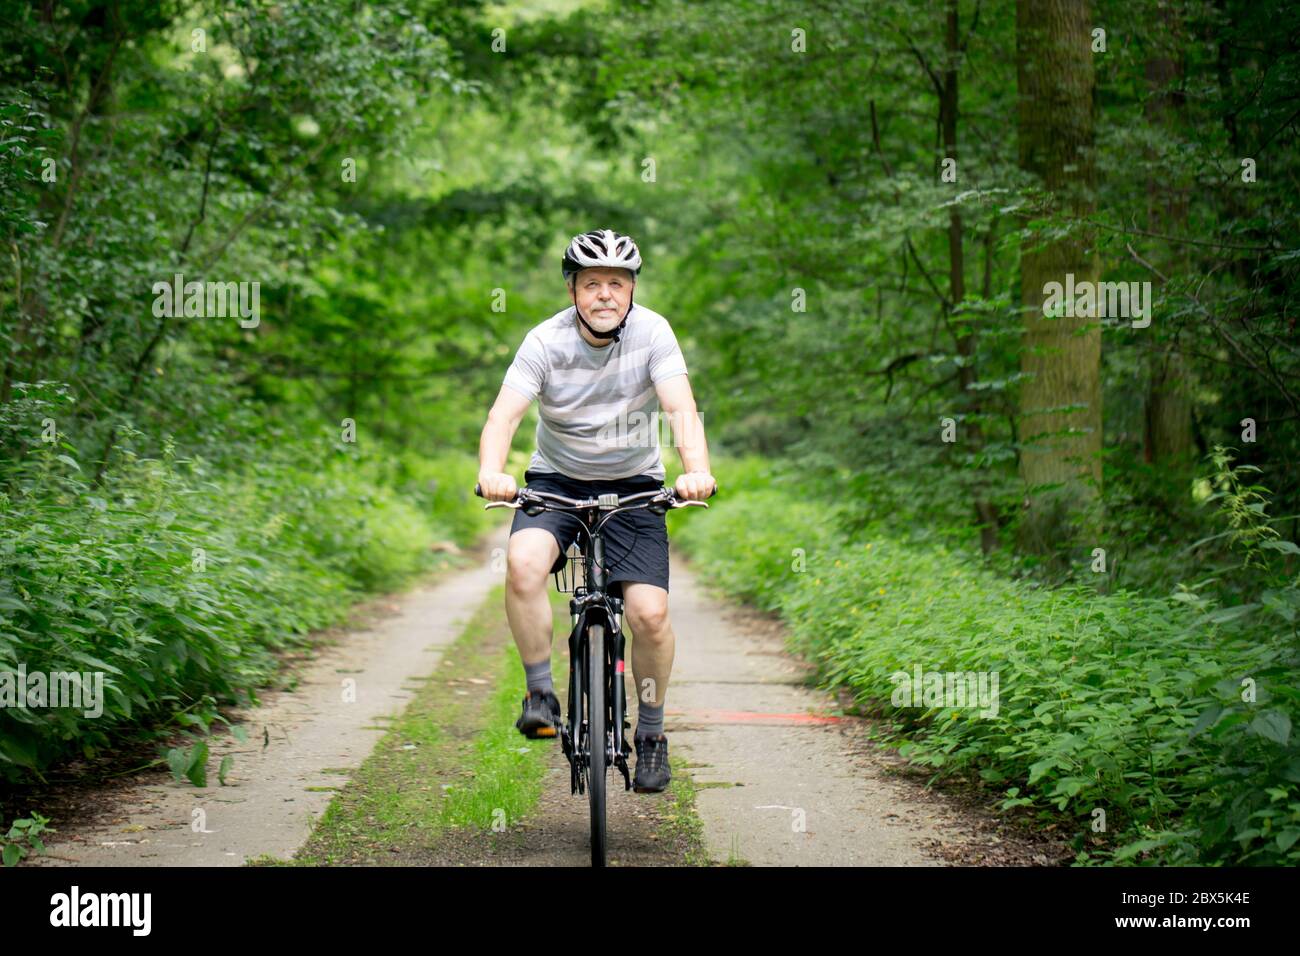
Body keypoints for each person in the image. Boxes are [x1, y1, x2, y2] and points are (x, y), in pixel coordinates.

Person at [476, 228, 716, 793]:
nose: (604, 294)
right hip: (556, 482)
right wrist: (493, 472)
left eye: (617, 282)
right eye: (591, 284)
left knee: (649, 615)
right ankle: (540, 693)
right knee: (523, 564)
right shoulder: (543, 341)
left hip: (635, 487)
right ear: (572, 290)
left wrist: (696, 470)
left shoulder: (655, 333)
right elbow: (503, 417)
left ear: (631, 290)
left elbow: (681, 409)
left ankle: (652, 735)